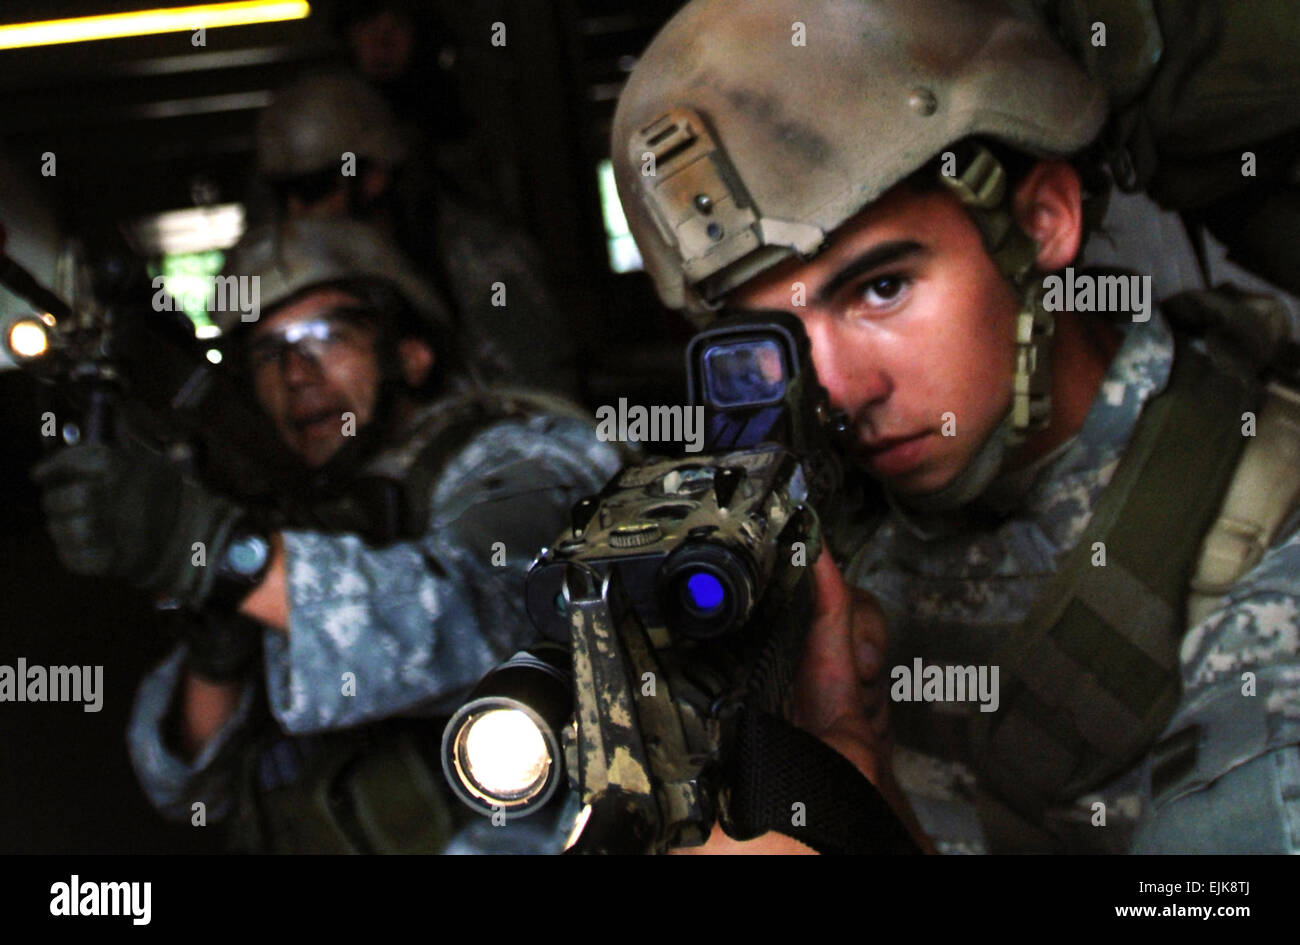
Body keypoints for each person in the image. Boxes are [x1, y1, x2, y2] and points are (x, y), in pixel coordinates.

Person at [611, 0, 1300, 853]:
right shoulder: (808, 532)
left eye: (881, 289)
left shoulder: (1266, 524)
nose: (836, 392)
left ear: (1044, 219)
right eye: (775, 336)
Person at [32, 219, 622, 852]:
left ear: (410, 352)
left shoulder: (522, 455)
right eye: (266, 352)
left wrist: (225, 556)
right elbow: (188, 789)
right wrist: (218, 648)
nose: (295, 371)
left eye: (326, 335)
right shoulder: (294, 510)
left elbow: (490, 615)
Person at [255, 71, 578, 396]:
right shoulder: (309, 276)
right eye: (284, 193)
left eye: (314, 187)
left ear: (373, 177)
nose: (297, 210)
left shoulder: (478, 257)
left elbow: (540, 403)